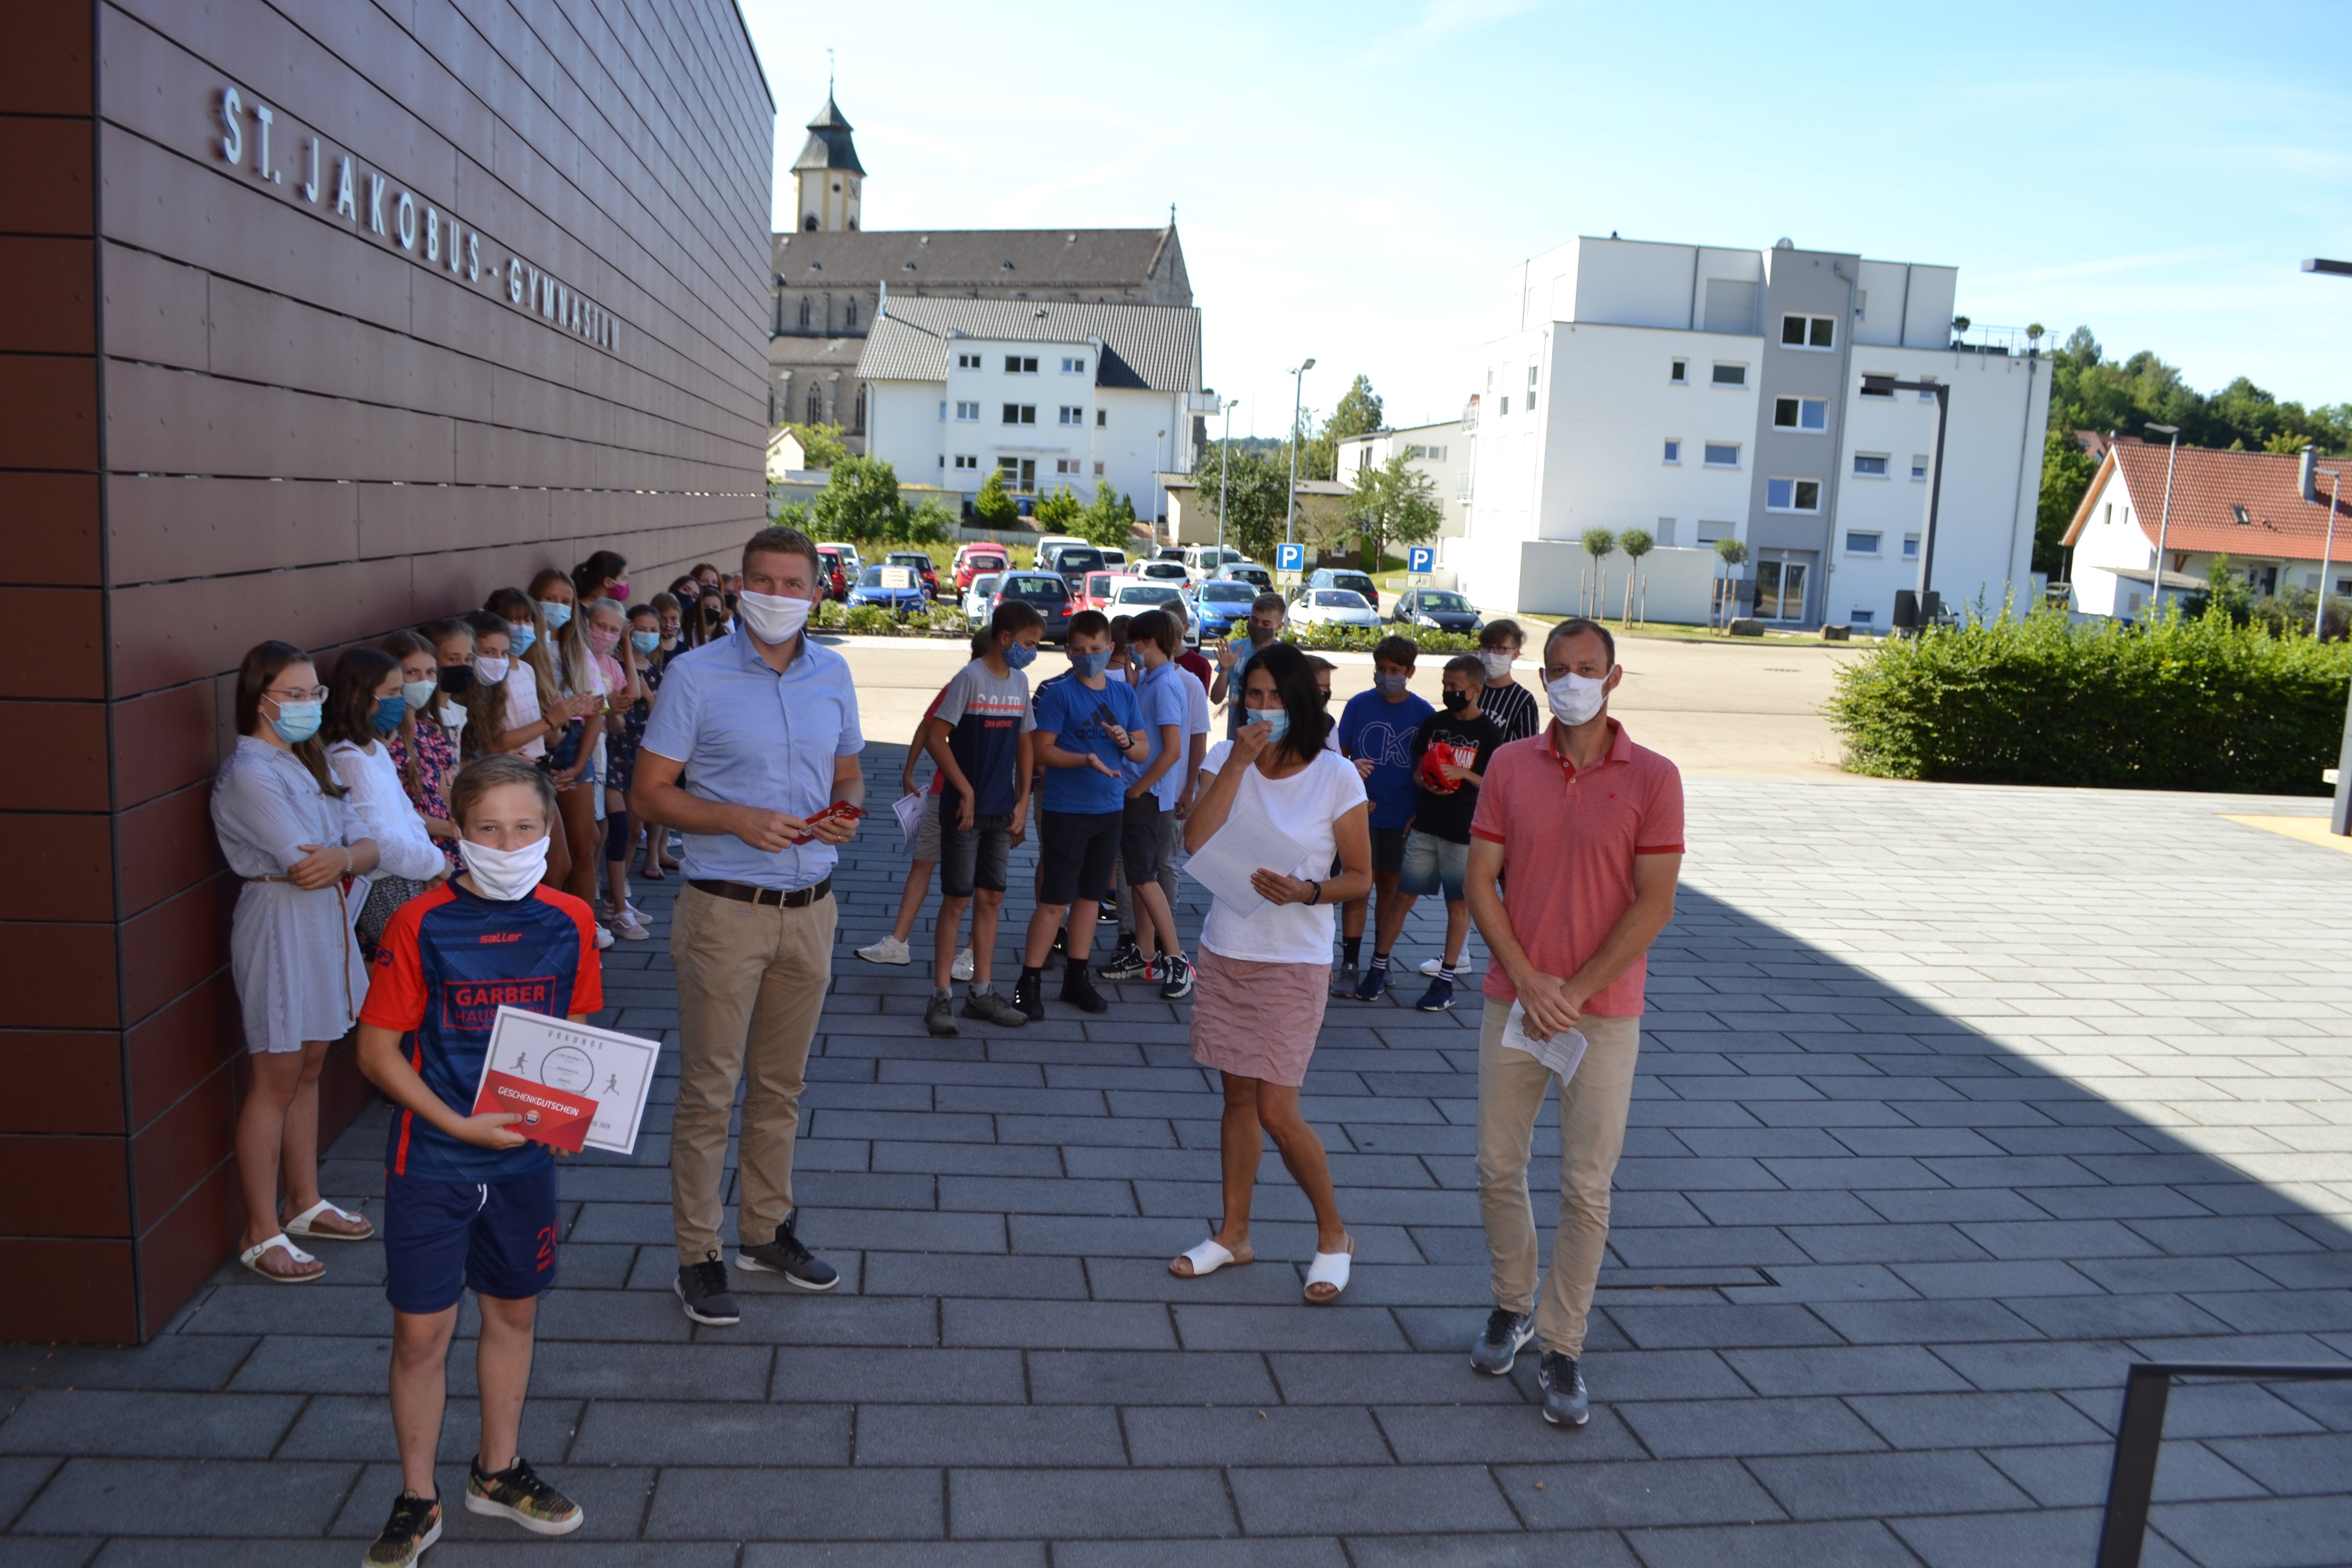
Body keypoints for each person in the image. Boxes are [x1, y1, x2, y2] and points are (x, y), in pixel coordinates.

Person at [354, 754, 598, 1565]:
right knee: (421, 1334)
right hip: (432, 1161)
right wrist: (459, 1126)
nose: (509, 841)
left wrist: (576, 1107)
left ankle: (497, 1471)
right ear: (460, 833)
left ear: (548, 830)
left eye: (526, 826)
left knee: (515, 1312)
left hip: (524, 1163)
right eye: (488, 828)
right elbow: (379, 1054)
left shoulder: (570, 920)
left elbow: (575, 1043)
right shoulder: (419, 922)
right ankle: (417, 1498)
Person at [630, 525, 861, 1326]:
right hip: (725, 911)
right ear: (738, 585)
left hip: (812, 911)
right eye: (761, 579)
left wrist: (847, 814)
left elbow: (850, 772)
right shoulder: (695, 677)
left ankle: (765, 1230)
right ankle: (699, 1254)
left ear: (815, 591)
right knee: (708, 1091)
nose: (776, 593)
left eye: (792, 582)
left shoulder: (834, 673)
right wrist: (734, 818)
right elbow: (649, 793)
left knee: (781, 1088)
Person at [1465, 617, 1683, 1428]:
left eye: (1586, 668)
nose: (1569, 681)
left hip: (1605, 1014)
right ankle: (1512, 1305)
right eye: (1557, 668)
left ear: (1614, 678)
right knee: (1496, 1166)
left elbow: (1654, 902)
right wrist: (1528, 978)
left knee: (1587, 1188)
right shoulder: (1511, 767)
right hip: (1512, 999)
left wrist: (1576, 989)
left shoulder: (1654, 777)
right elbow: (1482, 880)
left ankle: (1563, 1344)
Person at [1170, 642, 1368, 1304]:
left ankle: (1334, 1236)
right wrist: (1238, 764)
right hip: (1229, 949)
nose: (1262, 708)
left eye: (1277, 697)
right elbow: (1195, 839)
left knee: (1279, 1110)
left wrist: (1308, 893)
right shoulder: (1225, 759)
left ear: (1303, 703)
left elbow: (1361, 878)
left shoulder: (1337, 776)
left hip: (1295, 960)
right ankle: (1234, 1234)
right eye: (1252, 695)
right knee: (1235, 1101)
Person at [211, 642, 381, 1282]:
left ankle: (304, 1200)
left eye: (317, 694)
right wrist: (342, 857)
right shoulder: (250, 774)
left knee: (310, 1064)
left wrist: (343, 857)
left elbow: (363, 844)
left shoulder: (305, 763)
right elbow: (303, 860)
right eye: (298, 694)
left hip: (322, 922)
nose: (312, 705)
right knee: (276, 1075)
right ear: (263, 701)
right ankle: (260, 1229)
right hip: (279, 921)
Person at [1015, 610, 1147, 1020]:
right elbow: (1042, 750)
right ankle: (1029, 981)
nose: (1089, 656)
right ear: (1069, 652)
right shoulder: (1059, 695)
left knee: (1091, 898)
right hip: (1066, 811)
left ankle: (1077, 976)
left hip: (1109, 809)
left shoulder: (1124, 695)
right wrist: (1083, 760)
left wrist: (1126, 743)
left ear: (1112, 650)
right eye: (1081, 650)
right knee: (1055, 901)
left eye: (1097, 649)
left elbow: (1143, 750)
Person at [921, 601, 1042, 1035]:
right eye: (1029, 643)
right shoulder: (969, 679)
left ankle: (982, 992)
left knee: (992, 897)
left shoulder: (1021, 682)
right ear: (1005, 638)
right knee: (957, 899)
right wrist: (965, 789)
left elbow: (1026, 741)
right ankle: (940, 996)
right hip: (966, 812)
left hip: (1001, 809)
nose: (1033, 652)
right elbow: (937, 737)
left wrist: (1024, 799)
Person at [853, 640, 984, 979]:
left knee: (976, 879)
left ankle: (972, 952)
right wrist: (908, 771)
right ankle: (898, 943)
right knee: (924, 864)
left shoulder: (1010, 691)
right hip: (945, 794)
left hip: (986, 801)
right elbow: (928, 728)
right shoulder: (959, 685)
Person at [321, 648, 451, 954]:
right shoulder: (347, 759)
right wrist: (436, 863)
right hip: (383, 885)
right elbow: (375, 838)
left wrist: (429, 866)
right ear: (360, 697)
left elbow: (408, 814)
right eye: (391, 693)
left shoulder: (376, 749)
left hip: (412, 875)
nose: (399, 701)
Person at [1393, 655, 1502, 1012]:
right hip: (1427, 824)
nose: (1448, 692)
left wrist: (1463, 774)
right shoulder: (1435, 723)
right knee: (1403, 897)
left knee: (1458, 905)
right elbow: (1416, 771)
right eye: (1445, 685)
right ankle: (1378, 966)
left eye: (1455, 687)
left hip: (1463, 833)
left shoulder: (1489, 734)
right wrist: (1425, 781)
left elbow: (1495, 786)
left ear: (1476, 690)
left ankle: (1446, 980)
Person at [1333, 636, 1436, 1001]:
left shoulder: (1424, 713)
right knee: (1357, 888)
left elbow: (1427, 771)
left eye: (1395, 671)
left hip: (1401, 817)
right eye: (1381, 670)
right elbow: (1338, 758)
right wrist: (1352, 792)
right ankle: (1349, 964)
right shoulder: (1360, 705)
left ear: (1410, 672)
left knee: (1390, 892)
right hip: (1360, 817)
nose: (1387, 676)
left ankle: (1382, 959)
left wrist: (1417, 814)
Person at [1102, 609, 1192, 999]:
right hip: (1138, 792)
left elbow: (1171, 751)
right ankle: (1146, 953)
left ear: (1148, 642)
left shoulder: (1167, 686)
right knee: (1140, 875)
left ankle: (1177, 960)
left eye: (1133, 644)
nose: (1130, 651)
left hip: (1147, 795)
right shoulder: (1150, 681)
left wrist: (1139, 791)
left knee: (1144, 876)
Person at [584, 598, 648, 939]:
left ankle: (613, 900)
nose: (606, 635)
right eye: (601, 627)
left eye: (614, 629)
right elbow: (597, 708)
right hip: (589, 751)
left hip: (609, 751)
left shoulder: (610, 664)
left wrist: (624, 643)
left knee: (609, 829)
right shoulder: (579, 661)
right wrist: (612, 709)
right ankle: (611, 904)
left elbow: (630, 698)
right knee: (604, 829)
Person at [380, 630, 462, 877]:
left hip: (447, 847)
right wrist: (455, 831)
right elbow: (395, 813)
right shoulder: (385, 738)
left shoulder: (429, 728)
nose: (424, 681)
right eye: (412, 673)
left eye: (430, 673)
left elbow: (443, 794)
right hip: (415, 854)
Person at [1209, 591, 1289, 736]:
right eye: (1254, 620)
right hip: (1236, 735)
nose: (1258, 627)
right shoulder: (1235, 650)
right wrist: (1225, 670)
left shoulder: (1285, 656)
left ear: (1279, 627)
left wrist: (1241, 702)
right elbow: (1216, 698)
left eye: (1266, 623)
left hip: (1271, 737)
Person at [1476, 619, 1539, 744]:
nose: (1491, 654)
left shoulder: (1523, 700)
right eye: (1487, 647)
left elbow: (1527, 749)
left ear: (1515, 655)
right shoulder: (1473, 691)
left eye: (1500, 648)